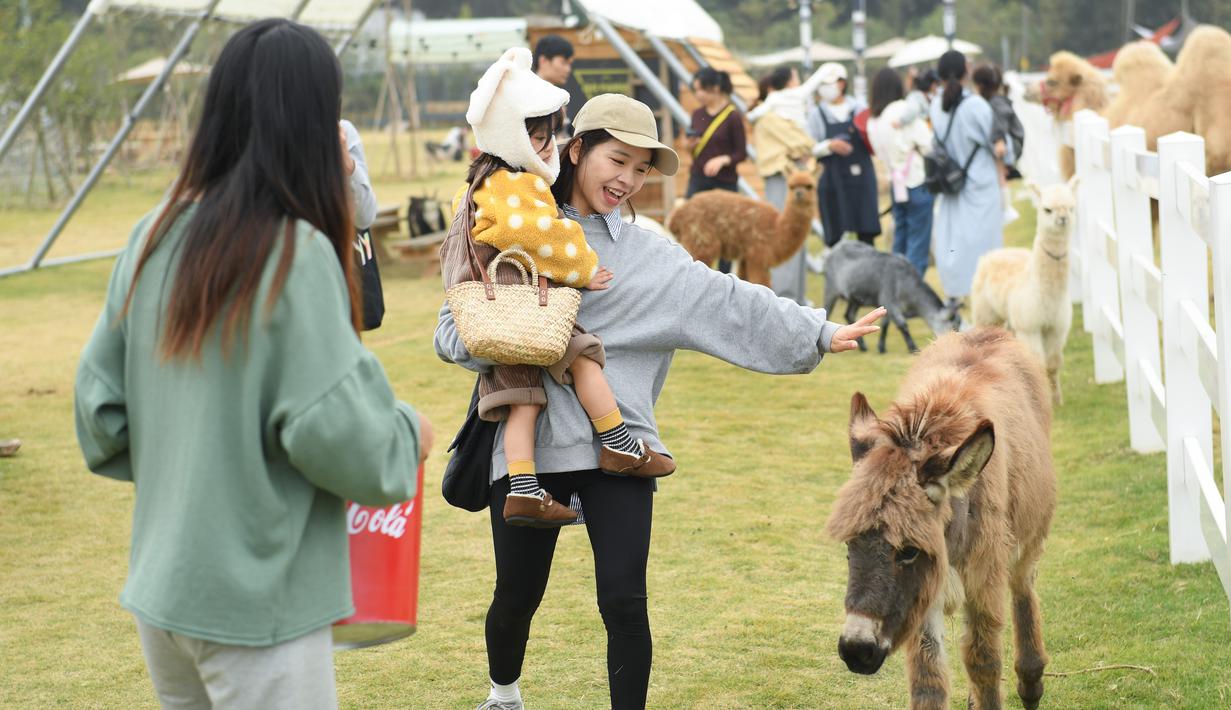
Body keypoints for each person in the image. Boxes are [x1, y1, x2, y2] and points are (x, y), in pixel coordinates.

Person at [435, 92, 885, 710]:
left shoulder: (652, 257)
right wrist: (521, 332)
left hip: (622, 450)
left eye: (642, 169)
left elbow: (728, 300)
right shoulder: (517, 228)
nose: (628, 180)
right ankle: (504, 694)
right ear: (577, 150)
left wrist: (819, 331)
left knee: (624, 598)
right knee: (516, 594)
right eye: (617, 160)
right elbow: (449, 330)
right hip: (526, 453)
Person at [73, 19, 431, 709]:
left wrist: (191, 462)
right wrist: (405, 434)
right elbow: (343, 437)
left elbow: (100, 415)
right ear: (312, 123)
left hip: (163, 592)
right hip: (259, 607)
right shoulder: (294, 252)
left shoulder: (151, 233)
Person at [446, 48, 675, 528]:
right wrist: (581, 266)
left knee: (521, 402)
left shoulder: (481, 181)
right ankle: (620, 444)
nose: (546, 147)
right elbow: (535, 237)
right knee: (584, 354)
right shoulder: (516, 185)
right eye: (537, 137)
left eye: (549, 136)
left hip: (492, 306)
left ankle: (525, 490)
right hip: (518, 303)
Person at [930, 49, 1001, 308]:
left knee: (955, 243)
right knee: (986, 246)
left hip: (952, 184)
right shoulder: (976, 106)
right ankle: (985, 300)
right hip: (979, 184)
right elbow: (999, 145)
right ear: (966, 72)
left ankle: (955, 298)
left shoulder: (936, 104)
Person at [752, 66, 817, 304]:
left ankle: (796, 301)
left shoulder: (784, 116)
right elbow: (804, 143)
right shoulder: (769, 117)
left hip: (793, 179)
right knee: (784, 236)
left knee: (798, 237)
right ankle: (785, 301)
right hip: (781, 181)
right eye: (795, 79)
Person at [866, 67, 935, 277]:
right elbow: (928, 144)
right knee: (917, 246)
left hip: (896, 185)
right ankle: (912, 293)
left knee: (900, 242)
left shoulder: (873, 121)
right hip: (916, 181)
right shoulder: (902, 110)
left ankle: (894, 289)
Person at [806, 62, 881, 250]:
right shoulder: (816, 114)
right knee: (835, 230)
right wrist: (829, 146)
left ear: (841, 83)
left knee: (865, 229)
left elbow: (873, 137)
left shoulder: (859, 108)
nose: (825, 89)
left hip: (861, 177)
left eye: (829, 83)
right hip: (832, 178)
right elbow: (807, 146)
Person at [685, 67, 747, 273]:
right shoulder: (696, 114)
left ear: (715, 88)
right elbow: (692, 147)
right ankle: (693, 271)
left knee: (726, 231)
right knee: (692, 223)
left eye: (700, 90)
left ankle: (724, 276)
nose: (697, 95)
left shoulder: (732, 117)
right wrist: (690, 146)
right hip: (699, 179)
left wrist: (723, 159)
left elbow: (741, 153)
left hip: (725, 182)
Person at [972, 63, 1026, 224]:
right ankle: (1004, 208)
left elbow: (1000, 122)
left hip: (1009, 145)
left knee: (999, 173)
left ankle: (1006, 209)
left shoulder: (996, 103)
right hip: (1009, 144)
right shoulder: (997, 100)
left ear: (980, 86)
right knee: (999, 174)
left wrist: (998, 140)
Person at [532, 34, 575, 139]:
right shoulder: (529, 94)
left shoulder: (556, 96)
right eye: (563, 62)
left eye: (570, 64)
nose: (568, 69)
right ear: (543, 61)